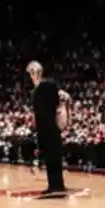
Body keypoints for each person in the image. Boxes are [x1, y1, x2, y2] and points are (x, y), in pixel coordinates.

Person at [27, 60, 71, 198]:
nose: (30, 76)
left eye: (31, 73)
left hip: (47, 127)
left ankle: (55, 186)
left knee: (51, 158)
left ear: (35, 73)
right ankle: (57, 185)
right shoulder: (51, 86)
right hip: (52, 126)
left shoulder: (40, 89)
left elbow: (40, 113)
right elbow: (62, 100)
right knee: (54, 157)